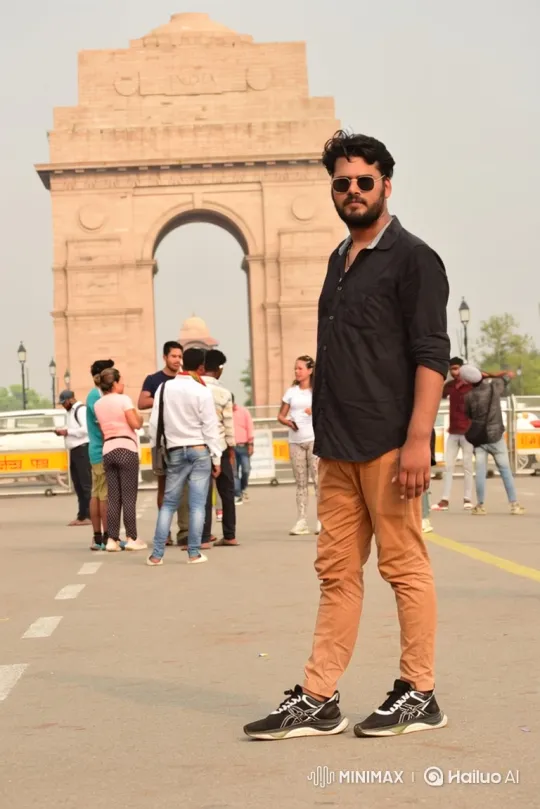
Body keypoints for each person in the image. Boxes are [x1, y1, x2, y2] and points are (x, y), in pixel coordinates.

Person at [244, 130, 450, 741]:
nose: (352, 191)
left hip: (389, 441)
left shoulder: (415, 258)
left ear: (387, 183)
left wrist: (419, 440)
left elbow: (431, 353)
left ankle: (420, 691)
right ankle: (318, 696)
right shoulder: (340, 259)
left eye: (364, 181)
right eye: (342, 183)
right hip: (335, 444)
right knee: (336, 573)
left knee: (405, 567)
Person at [147, 348, 222, 565]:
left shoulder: (164, 387)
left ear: (182, 363)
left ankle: (156, 555)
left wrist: (157, 447)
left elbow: (154, 423)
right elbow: (210, 426)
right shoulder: (202, 390)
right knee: (197, 505)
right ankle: (194, 553)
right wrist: (216, 458)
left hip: (175, 450)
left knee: (169, 503)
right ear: (201, 367)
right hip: (200, 450)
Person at [138, 341, 188, 546]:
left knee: (185, 487)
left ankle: (185, 530)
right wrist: (165, 395)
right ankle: (164, 531)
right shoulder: (153, 380)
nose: (177, 360)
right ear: (165, 357)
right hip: (161, 440)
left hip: (183, 437)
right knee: (164, 486)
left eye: (180, 356)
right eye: (173, 356)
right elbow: (142, 403)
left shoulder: (187, 379)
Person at [460, 364, 525, 515]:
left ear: (467, 381)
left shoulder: (468, 397)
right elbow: (508, 375)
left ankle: (480, 505)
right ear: (480, 376)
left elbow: (469, 415)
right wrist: (489, 374)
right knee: (505, 471)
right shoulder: (495, 387)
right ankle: (514, 504)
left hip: (479, 438)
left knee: (480, 472)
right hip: (496, 437)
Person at [94, 368, 147, 552]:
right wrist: (139, 419)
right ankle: (132, 537)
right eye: (122, 381)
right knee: (129, 497)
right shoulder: (124, 400)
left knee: (114, 497)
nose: (124, 384)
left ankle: (112, 539)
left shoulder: (98, 404)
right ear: (115, 383)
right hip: (126, 447)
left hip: (108, 449)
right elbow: (135, 423)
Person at [278, 356, 319, 535]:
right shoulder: (291, 392)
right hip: (296, 441)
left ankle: (322, 520)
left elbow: (328, 410)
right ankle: (301, 520)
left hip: (314, 439)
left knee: (318, 480)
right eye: (295, 368)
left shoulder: (317, 391)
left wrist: (314, 409)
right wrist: (289, 423)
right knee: (301, 483)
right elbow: (280, 415)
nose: (297, 371)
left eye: (300, 368)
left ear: (310, 370)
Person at [201, 349, 238, 547]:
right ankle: (230, 535)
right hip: (221, 446)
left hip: (200, 446)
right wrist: (231, 449)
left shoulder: (195, 390)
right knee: (227, 492)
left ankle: (204, 537)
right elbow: (229, 424)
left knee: (204, 493)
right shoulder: (224, 393)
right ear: (219, 369)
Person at [431, 357, 474, 512]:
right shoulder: (449, 386)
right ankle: (445, 499)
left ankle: (467, 499)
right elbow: (437, 394)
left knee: (468, 467)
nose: (454, 371)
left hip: (468, 432)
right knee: (448, 467)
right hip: (453, 432)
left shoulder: (471, 386)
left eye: (456, 368)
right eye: (451, 369)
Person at [86, 359, 114, 550]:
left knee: (97, 494)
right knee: (104, 495)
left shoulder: (93, 395)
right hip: (101, 450)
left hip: (95, 450)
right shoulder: (96, 397)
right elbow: (103, 425)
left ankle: (98, 538)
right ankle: (107, 537)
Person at [55, 390, 92, 527]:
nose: (63, 405)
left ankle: (88, 514)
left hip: (82, 448)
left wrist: (68, 432)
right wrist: (63, 430)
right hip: (74, 450)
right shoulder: (70, 412)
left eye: (64, 402)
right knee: (78, 484)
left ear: (71, 399)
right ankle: (81, 515)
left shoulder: (80, 410)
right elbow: (72, 428)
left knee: (85, 483)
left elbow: (86, 429)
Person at [232, 394, 254, 503]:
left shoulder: (243, 411)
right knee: (234, 472)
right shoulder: (224, 413)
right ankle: (238, 493)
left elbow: (250, 426)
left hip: (243, 446)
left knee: (246, 469)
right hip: (230, 447)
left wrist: (251, 443)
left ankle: (243, 488)